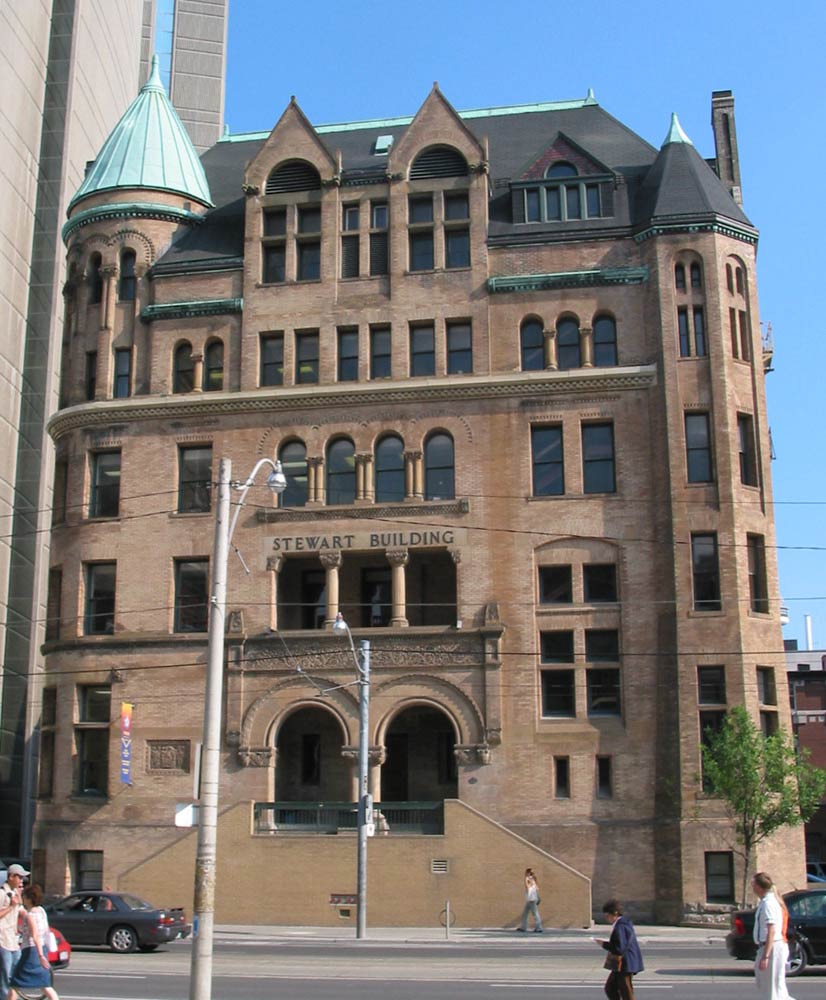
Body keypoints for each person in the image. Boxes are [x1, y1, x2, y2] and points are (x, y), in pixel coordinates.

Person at [7, 884, 59, 1000]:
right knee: (45, 985)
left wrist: (40, 955)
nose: (23, 898)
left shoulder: (30, 915)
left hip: (31, 951)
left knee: (15, 983)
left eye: (24, 896)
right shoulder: (41, 911)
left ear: (29, 898)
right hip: (42, 948)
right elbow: (42, 930)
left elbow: (34, 935)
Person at [752, 872, 796, 1000]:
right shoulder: (767, 901)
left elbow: (771, 930)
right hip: (771, 947)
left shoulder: (769, 903)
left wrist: (765, 956)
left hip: (772, 948)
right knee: (775, 987)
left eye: (753, 885)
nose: (753, 888)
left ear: (759, 887)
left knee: (772, 990)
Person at [595, 899, 644, 1000]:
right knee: (610, 988)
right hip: (623, 964)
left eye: (608, 915)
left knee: (626, 992)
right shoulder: (624, 923)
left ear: (615, 913)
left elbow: (619, 948)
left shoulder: (620, 926)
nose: (607, 918)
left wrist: (603, 944)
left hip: (625, 964)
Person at [0, 863, 27, 1000]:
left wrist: (34, 917)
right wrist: (11, 907)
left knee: (16, 973)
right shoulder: (2, 893)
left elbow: (21, 911)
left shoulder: (16, 893)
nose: (22, 881)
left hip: (13, 940)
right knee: (5, 975)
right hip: (2, 940)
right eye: (20, 877)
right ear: (11, 877)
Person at [517, 867, 543, 933]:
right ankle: (523, 927)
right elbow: (537, 888)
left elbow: (527, 887)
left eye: (526, 872)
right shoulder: (534, 879)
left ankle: (539, 928)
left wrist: (526, 880)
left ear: (528, 873)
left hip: (531, 899)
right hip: (531, 899)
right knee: (525, 913)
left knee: (535, 913)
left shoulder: (528, 879)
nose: (525, 873)